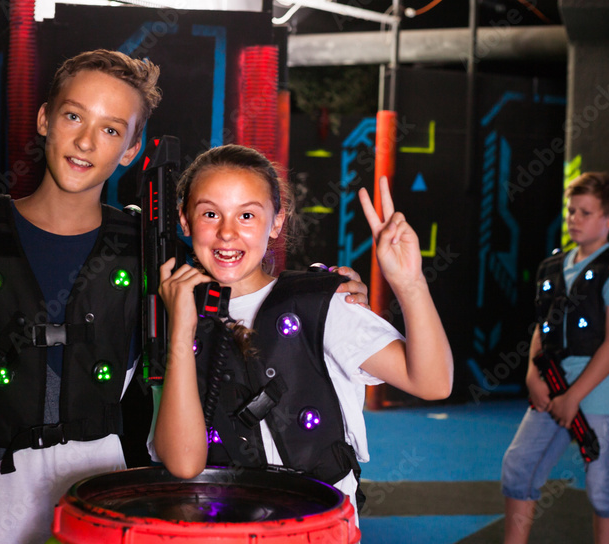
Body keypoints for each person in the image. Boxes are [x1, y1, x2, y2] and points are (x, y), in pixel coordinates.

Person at [0, 49, 369, 543]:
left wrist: (322, 287)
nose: (87, 141)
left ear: (131, 149)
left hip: (102, 491)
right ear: (44, 119)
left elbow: (238, 259)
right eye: (73, 116)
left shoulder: (151, 251)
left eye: (111, 130)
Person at [152, 144, 454, 517]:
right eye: (211, 213)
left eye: (247, 215)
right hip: (224, 522)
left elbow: (433, 382)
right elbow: (183, 464)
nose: (227, 232)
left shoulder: (324, 303)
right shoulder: (171, 313)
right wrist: (181, 330)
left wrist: (409, 283)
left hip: (318, 522)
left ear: (277, 222)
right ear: (184, 221)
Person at [501, 172, 609, 544]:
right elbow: (541, 327)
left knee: (602, 489)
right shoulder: (552, 266)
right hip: (550, 389)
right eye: (571, 211)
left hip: (597, 395)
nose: (574, 219)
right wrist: (533, 376)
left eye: (585, 212)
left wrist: (574, 396)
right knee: (518, 469)